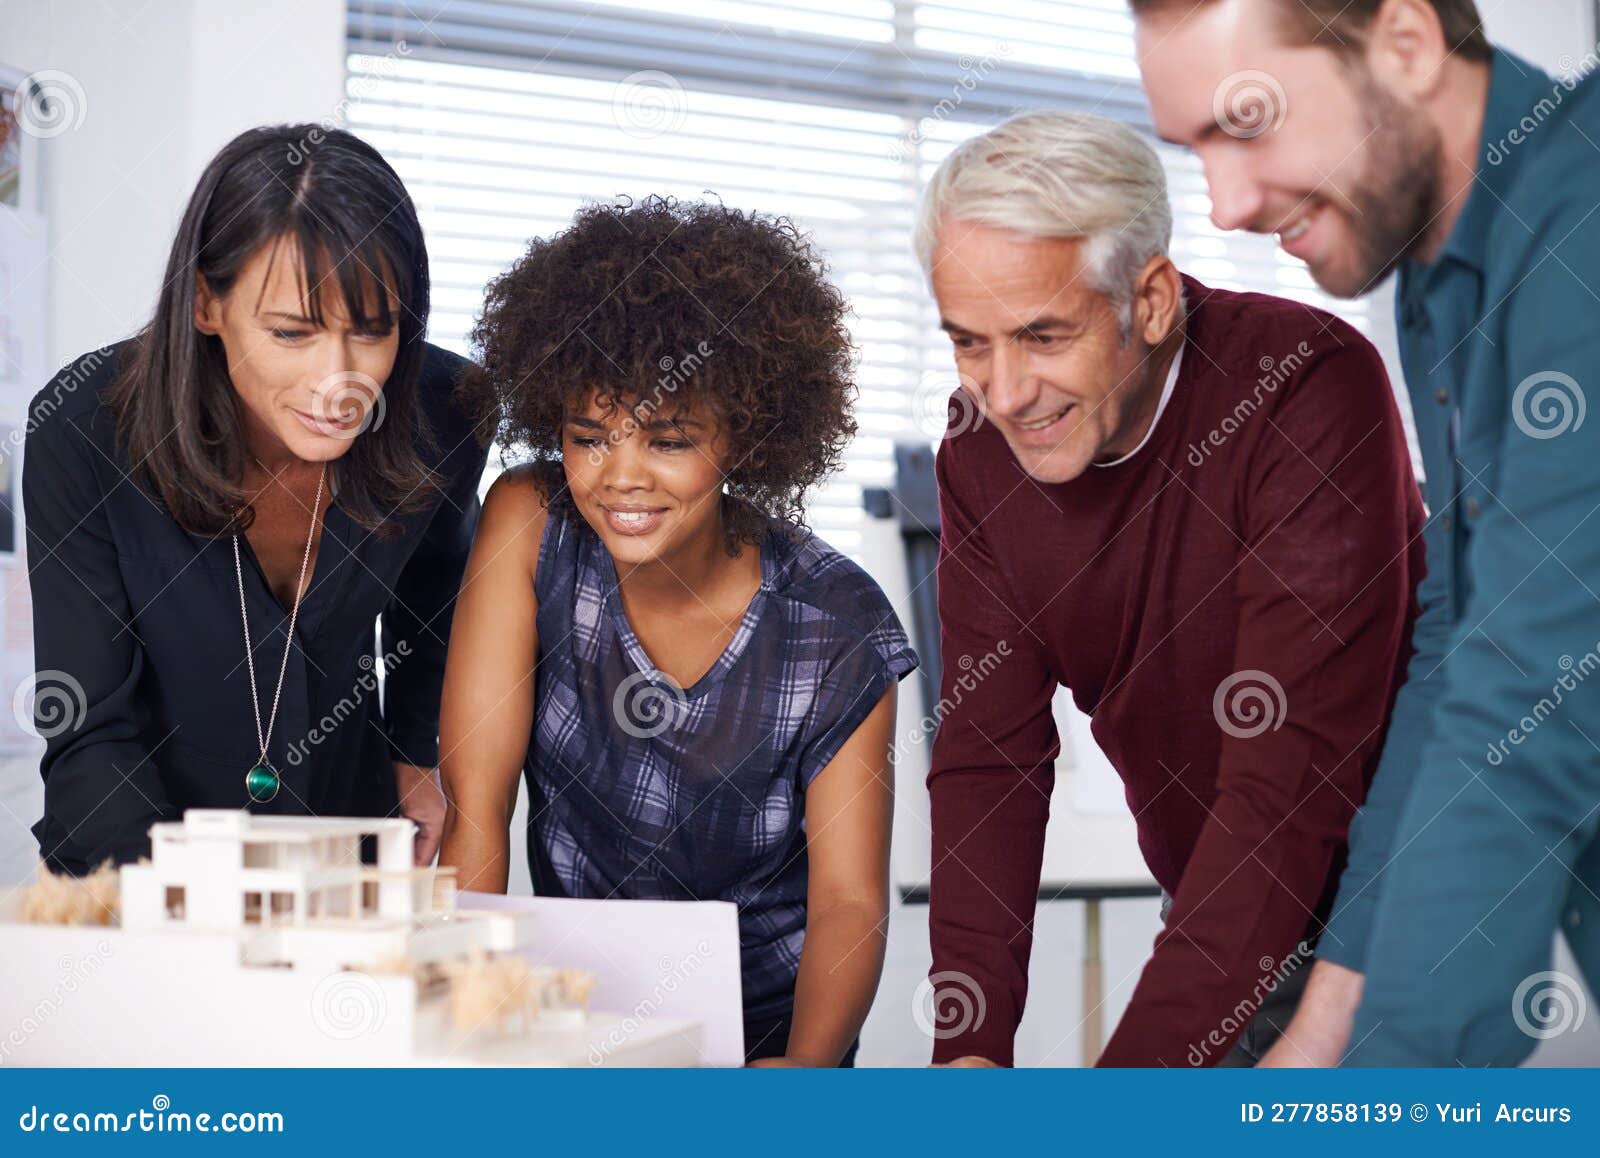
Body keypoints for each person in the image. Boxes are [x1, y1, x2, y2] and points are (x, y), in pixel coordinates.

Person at [1131, 0, 1600, 1066]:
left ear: (1405, 42)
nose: (1226, 204)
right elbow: (1457, 646)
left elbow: (1535, 691)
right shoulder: (1438, 276)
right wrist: (1332, 1017)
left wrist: (1382, 1093)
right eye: (1193, 149)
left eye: (1245, 124)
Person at [915, 110, 1424, 1067]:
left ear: (1147, 302)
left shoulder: (1305, 386)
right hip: (1220, 908)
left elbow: (1288, 783)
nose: (1007, 390)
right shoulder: (979, 455)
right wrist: (969, 1052)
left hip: (1404, 920)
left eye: (1041, 335)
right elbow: (990, 763)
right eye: (970, 343)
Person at [437, 196, 919, 1067]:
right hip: (568, 1030)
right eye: (589, 437)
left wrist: (801, 1081)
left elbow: (849, 901)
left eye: (666, 440)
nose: (620, 478)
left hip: (766, 1043)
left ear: (746, 433)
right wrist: (461, 1034)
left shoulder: (835, 626)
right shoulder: (532, 522)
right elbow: (479, 802)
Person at [25, 124, 487, 875]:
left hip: (352, 845)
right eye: (292, 332)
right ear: (207, 303)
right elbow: (90, 727)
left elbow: (435, 599)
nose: (338, 380)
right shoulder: (81, 435)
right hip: (138, 860)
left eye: (372, 331)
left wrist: (418, 751)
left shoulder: (447, 410)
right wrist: (189, 910)